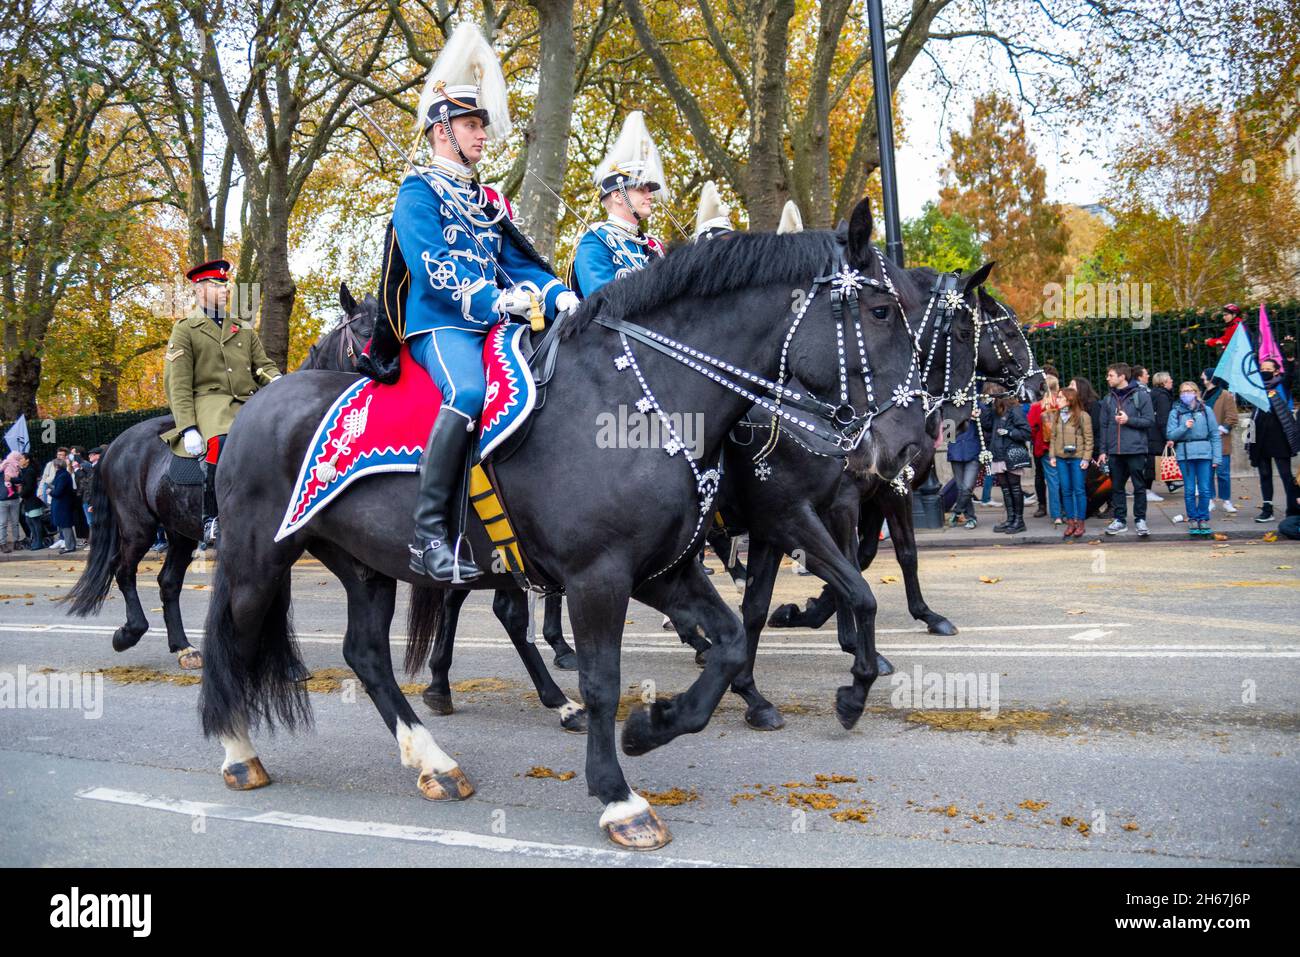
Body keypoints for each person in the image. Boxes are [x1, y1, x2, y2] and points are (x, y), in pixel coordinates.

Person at [388, 24, 579, 583]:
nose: (482, 135)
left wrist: (554, 292)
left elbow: (516, 260)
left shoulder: (488, 198)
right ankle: (427, 536)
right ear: (442, 129)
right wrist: (495, 300)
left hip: (499, 320)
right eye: (472, 125)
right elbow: (431, 267)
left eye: (481, 125)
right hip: (440, 325)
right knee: (468, 390)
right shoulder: (417, 191)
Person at [162, 257, 282, 545]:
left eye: (226, 285)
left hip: (247, 401)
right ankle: (211, 517)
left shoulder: (241, 327)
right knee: (222, 439)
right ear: (200, 290)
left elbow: (262, 366)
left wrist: (279, 382)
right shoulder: (186, 329)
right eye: (218, 285)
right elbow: (177, 383)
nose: (226, 290)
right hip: (208, 402)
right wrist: (188, 427)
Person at [571, 110, 667, 296]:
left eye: (649, 190)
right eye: (641, 189)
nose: (650, 196)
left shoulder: (654, 246)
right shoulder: (596, 241)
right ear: (617, 195)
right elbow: (600, 301)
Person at [1098, 361, 1155, 537]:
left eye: (1111, 375)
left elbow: (1149, 421)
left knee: (1139, 486)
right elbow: (1104, 426)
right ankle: (1120, 519)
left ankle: (1140, 519)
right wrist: (1103, 451)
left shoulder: (1141, 395)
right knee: (1117, 487)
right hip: (1115, 451)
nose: (1107, 378)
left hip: (1136, 449)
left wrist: (1129, 420)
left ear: (1122, 377)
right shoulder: (1108, 399)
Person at [1246, 357, 1300, 522]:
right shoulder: (1257, 388)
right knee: (1264, 474)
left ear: (1276, 372)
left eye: (1268, 369)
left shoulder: (1281, 386)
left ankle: (1293, 509)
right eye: (1262, 368)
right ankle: (1267, 509)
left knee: (1285, 474)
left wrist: (1289, 361)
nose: (1264, 371)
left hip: (1280, 439)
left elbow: (1289, 377)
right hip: (1260, 439)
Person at [1166, 380, 1221, 537]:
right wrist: (1184, 427)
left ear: (1196, 393)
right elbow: (1170, 434)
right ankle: (1192, 517)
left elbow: (1214, 435)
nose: (1186, 394)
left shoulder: (1206, 410)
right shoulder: (1175, 412)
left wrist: (1217, 457)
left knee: (1204, 489)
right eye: (1183, 391)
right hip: (1185, 454)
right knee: (1189, 490)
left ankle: (1203, 517)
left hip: (1205, 454)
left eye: (1189, 391)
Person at [979, 385, 1032, 534]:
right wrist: (986, 409)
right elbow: (987, 426)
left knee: (1014, 488)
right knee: (1005, 489)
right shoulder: (995, 411)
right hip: (998, 454)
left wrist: (1009, 432)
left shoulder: (1015, 410)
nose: (986, 397)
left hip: (1011, 454)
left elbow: (1026, 432)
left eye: (989, 395)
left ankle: (1019, 521)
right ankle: (1010, 519)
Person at [1048, 386, 1092, 538]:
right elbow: (1052, 437)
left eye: (1060, 397)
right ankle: (1071, 522)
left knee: (1079, 490)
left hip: (1077, 458)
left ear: (1069, 400)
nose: (1057, 400)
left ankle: (1080, 523)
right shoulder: (1057, 415)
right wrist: (1052, 456)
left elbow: (1089, 439)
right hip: (1061, 458)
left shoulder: (1083, 416)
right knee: (1065, 491)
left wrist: (1086, 458)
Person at [1200, 369, 1238, 513]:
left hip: (1221, 441)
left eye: (1204, 377)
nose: (1202, 380)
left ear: (1211, 378)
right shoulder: (1202, 395)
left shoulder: (1225, 395)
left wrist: (1222, 429)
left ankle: (1226, 500)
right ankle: (1210, 499)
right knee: (1207, 473)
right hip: (1204, 441)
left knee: (1223, 473)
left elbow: (1232, 417)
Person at [1027, 374, 1062, 522]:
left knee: (1052, 481)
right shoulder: (1062, 404)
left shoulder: (1036, 407)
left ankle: (1057, 515)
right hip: (1065, 447)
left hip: (1044, 448)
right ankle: (1069, 511)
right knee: (1066, 481)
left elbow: (1030, 429)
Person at [945, 418, 982, 529]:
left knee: (967, 488)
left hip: (973, 453)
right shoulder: (950, 410)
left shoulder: (975, 404)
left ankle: (956, 512)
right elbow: (948, 437)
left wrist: (977, 416)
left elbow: (988, 424)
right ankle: (971, 517)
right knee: (961, 489)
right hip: (956, 452)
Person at [1145, 371, 1176, 501]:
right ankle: (1147, 491)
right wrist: (1169, 436)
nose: (1172, 381)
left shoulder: (1153, 394)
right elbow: (1163, 418)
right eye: (1169, 379)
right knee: (1156, 463)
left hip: (1152, 434)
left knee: (1155, 462)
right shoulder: (1163, 396)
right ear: (1163, 382)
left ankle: (1172, 484)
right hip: (1158, 436)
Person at [48, 459, 78, 553]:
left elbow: (58, 492)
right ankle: (71, 545)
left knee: (65, 525)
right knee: (64, 525)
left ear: (57, 466)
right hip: (63, 503)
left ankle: (69, 546)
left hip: (62, 504)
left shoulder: (62, 476)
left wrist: (50, 491)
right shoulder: (63, 474)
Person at [15, 453, 43, 550]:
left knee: (35, 522)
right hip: (28, 501)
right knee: (29, 521)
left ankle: (39, 542)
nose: (20, 460)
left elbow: (29, 487)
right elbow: (21, 480)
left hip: (33, 500)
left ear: (27, 460)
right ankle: (35, 541)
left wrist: (21, 494)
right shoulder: (25, 471)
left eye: (22, 458)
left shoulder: (30, 471)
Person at [0, 450, 22, 553]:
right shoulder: (3, 468)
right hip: (3, 499)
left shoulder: (15, 468)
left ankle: (15, 541)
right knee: (4, 523)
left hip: (12, 498)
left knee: (14, 522)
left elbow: (20, 480)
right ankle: (3, 543)